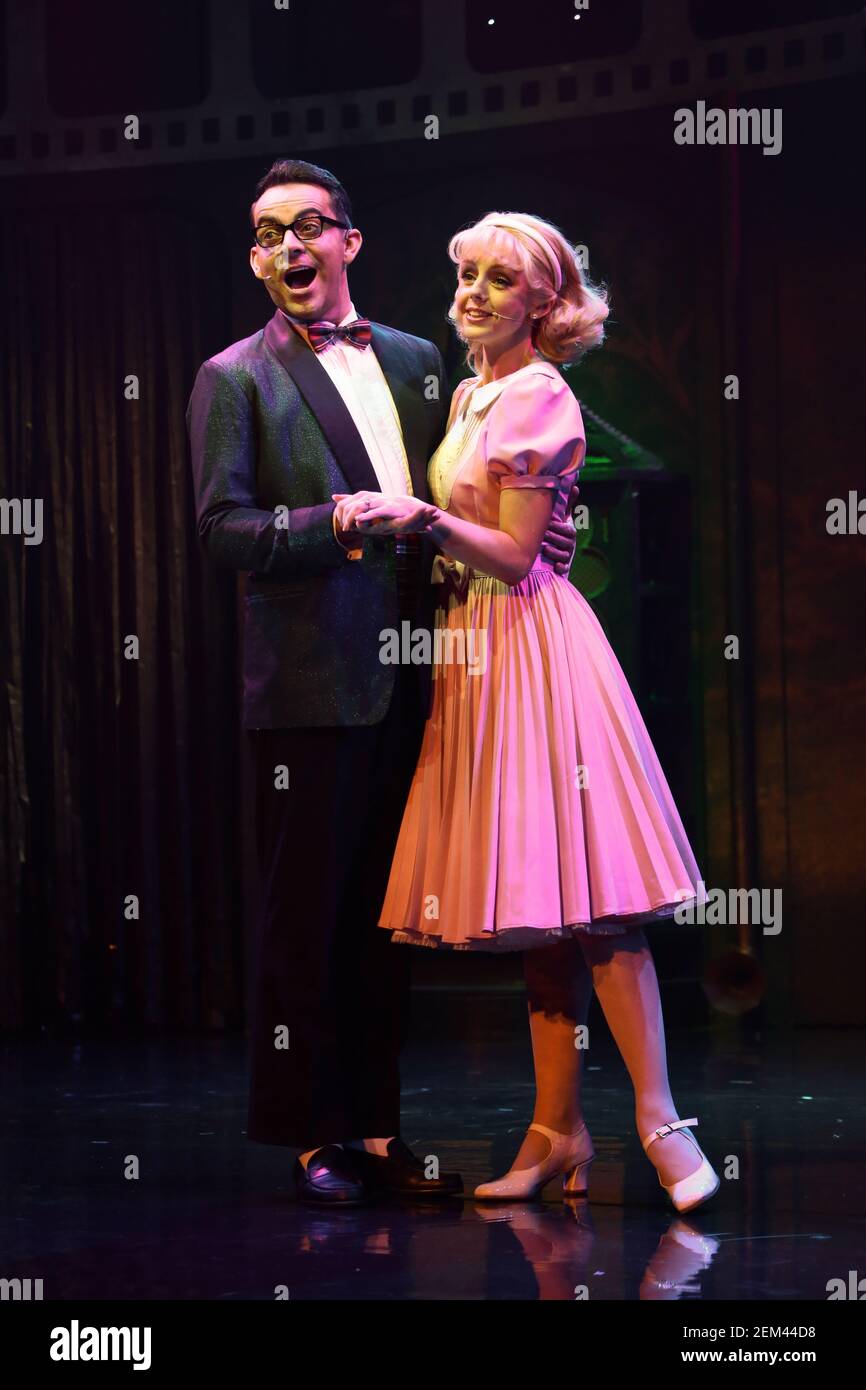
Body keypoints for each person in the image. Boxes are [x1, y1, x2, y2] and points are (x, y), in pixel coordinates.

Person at [186, 164, 579, 1207]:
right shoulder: (234, 377)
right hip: (313, 685)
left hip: (423, 677)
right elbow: (220, 530)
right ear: (256, 258)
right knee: (305, 915)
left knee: (385, 918)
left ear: (349, 242)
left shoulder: (413, 360)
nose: (288, 247)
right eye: (267, 234)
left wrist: (533, 537)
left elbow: (472, 490)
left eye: (307, 226)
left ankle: (375, 1126)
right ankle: (314, 1135)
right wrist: (331, 524)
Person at [335, 211, 720, 1216]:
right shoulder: (470, 392)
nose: (472, 292)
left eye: (500, 279)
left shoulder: (540, 395)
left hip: (534, 651)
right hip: (475, 653)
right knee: (537, 911)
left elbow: (508, 553)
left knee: (596, 906)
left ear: (541, 303)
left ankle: (660, 1119)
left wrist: (418, 517)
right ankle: (555, 1133)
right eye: (465, 273)